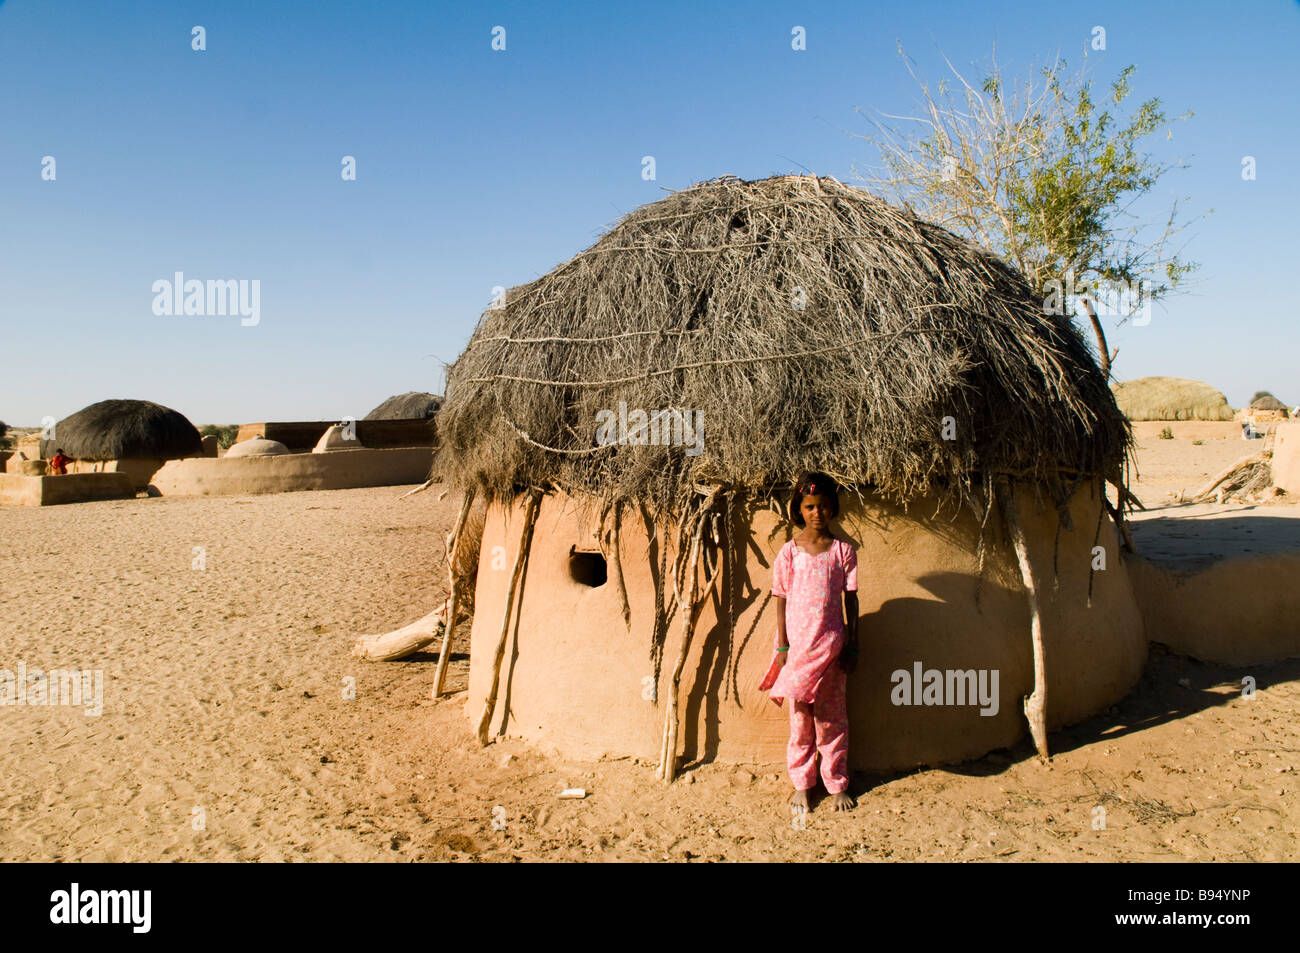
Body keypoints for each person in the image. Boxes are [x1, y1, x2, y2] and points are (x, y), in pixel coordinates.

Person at [764, 471, 859, 814]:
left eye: (823, 506)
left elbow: (851, 601)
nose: (816, 512)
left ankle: (836, 783)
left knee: (832, 719)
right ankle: (803, 785)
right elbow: (780, 598)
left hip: (832, 648)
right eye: (809, 506)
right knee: (801, 719)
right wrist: (782, 646)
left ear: (832, 508)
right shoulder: (789, 554)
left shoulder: (844, 552)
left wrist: (853, 644)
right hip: (800, 652)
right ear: (799, 509)